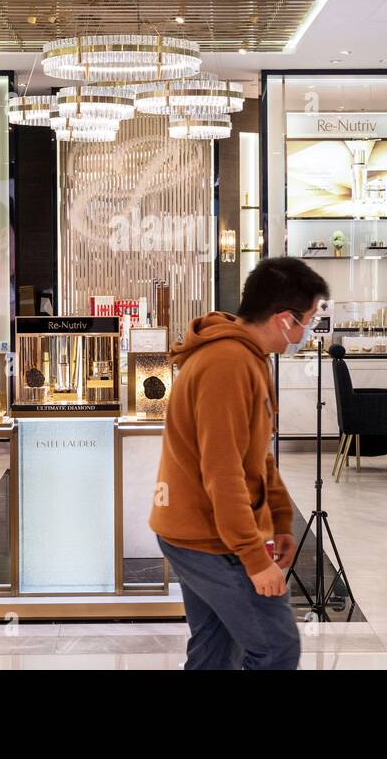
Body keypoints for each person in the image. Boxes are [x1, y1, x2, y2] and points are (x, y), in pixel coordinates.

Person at [150, 257, 329, 670]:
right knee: (276, 647)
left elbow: (256, 453)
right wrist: (253, 557)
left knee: (215, 649)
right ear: (285, 319)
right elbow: (223, 471)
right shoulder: (226, 363)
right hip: (207, 538)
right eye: (307, 321)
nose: (307, 332)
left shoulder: (250, 357)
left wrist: (279, 521)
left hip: (202, 531)